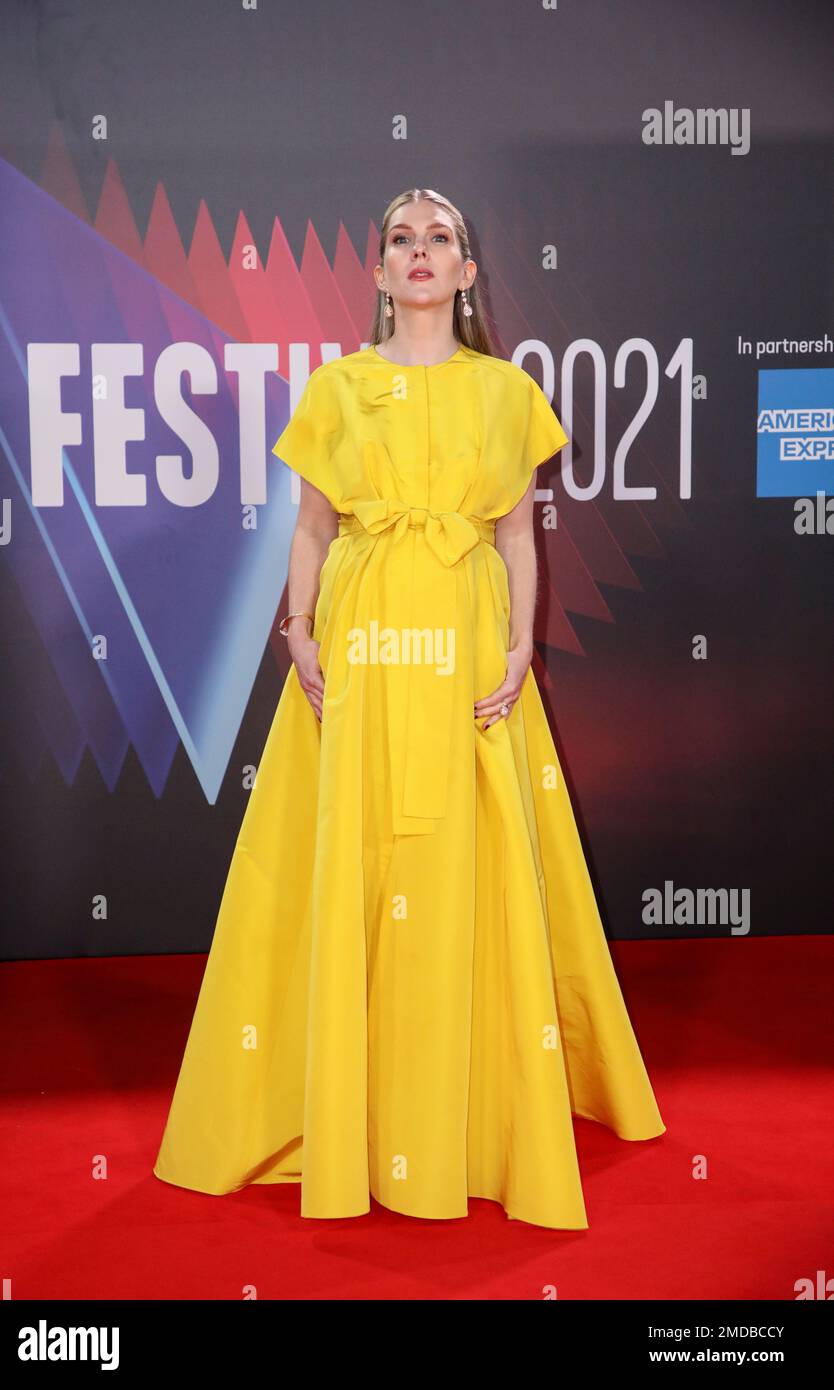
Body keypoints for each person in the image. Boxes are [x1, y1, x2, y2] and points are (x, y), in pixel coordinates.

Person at [153, 187, 665, 1230]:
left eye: (441, 239)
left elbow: (518, 536)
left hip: (465, 647)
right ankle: (336, 1108)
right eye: (401, 239)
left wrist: (520, 647)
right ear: (379, 271)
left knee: (461, 864)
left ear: (468, 273)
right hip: (359, 648)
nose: (420, 252)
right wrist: (298, 633)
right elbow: (308, 529)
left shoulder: (502, 392)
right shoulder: (336, 390)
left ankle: (471, 1117)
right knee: (354, 860)